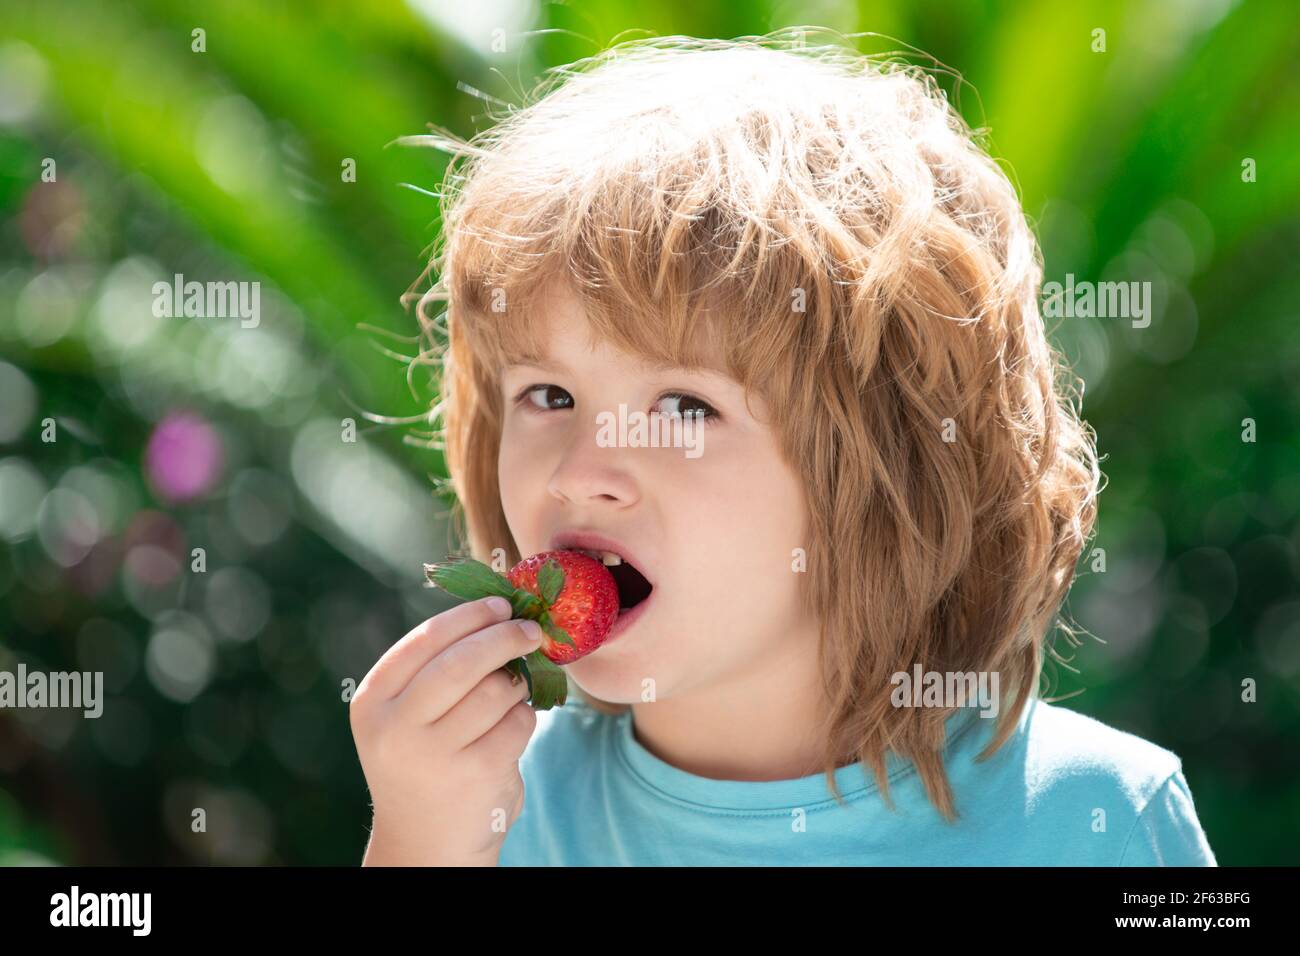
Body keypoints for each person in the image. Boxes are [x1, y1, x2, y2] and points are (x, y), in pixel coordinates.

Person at [349, 33, 1217, 866]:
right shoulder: (487, 806)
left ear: (893, 471)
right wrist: (416, 846)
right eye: (549, 396)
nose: (582, 471)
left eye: (686, 407)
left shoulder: (1095, 818)